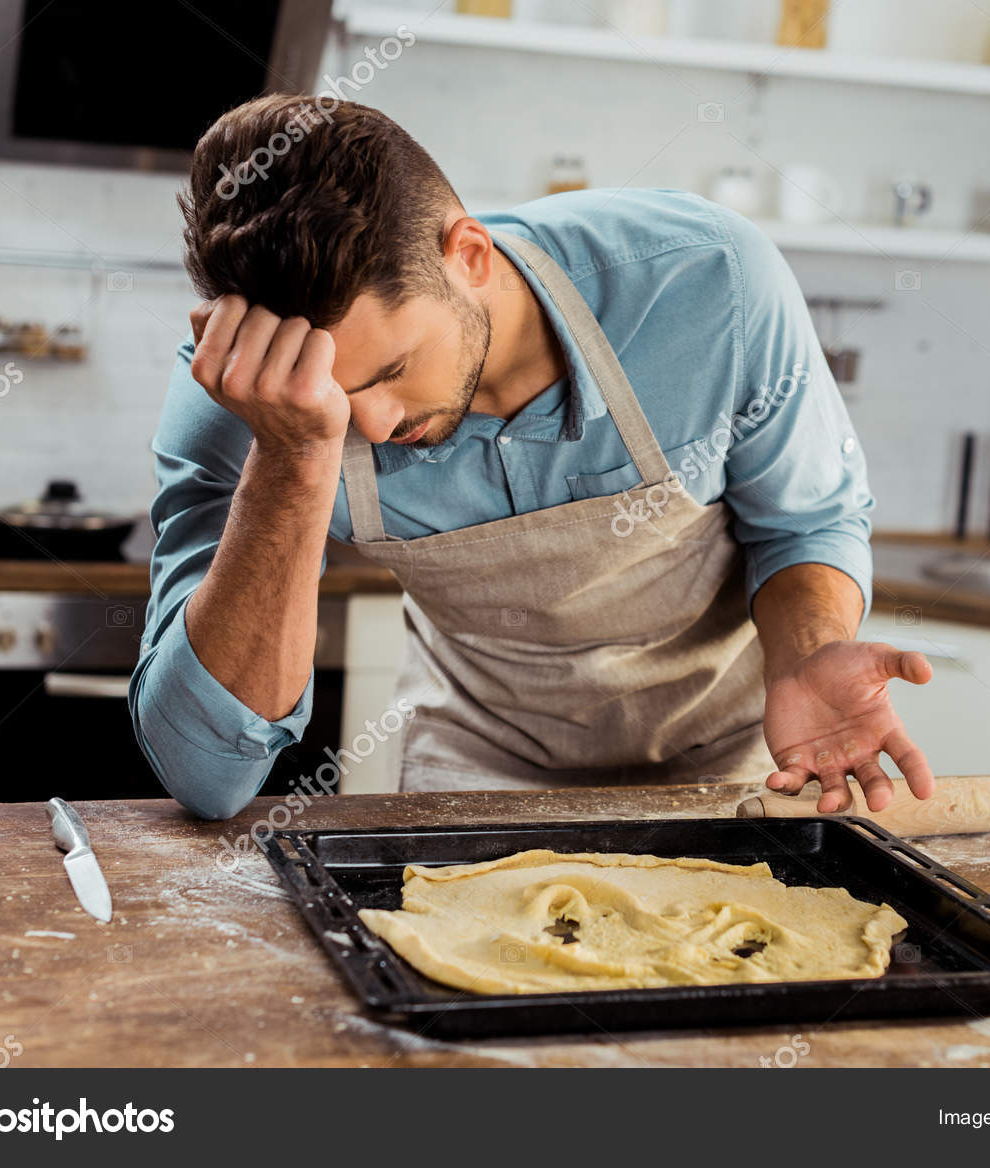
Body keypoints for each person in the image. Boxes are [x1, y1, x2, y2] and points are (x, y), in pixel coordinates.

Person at [130, 95, 934, 819]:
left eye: (392, 372)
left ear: (469, 257)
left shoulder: (709, 281)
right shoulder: (242, 391)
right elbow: (209, 779)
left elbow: (807, 524)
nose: (369, 427)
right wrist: (289, 457)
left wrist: (809, 654)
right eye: (338, 402)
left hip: (738, 769)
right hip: (475, 779)